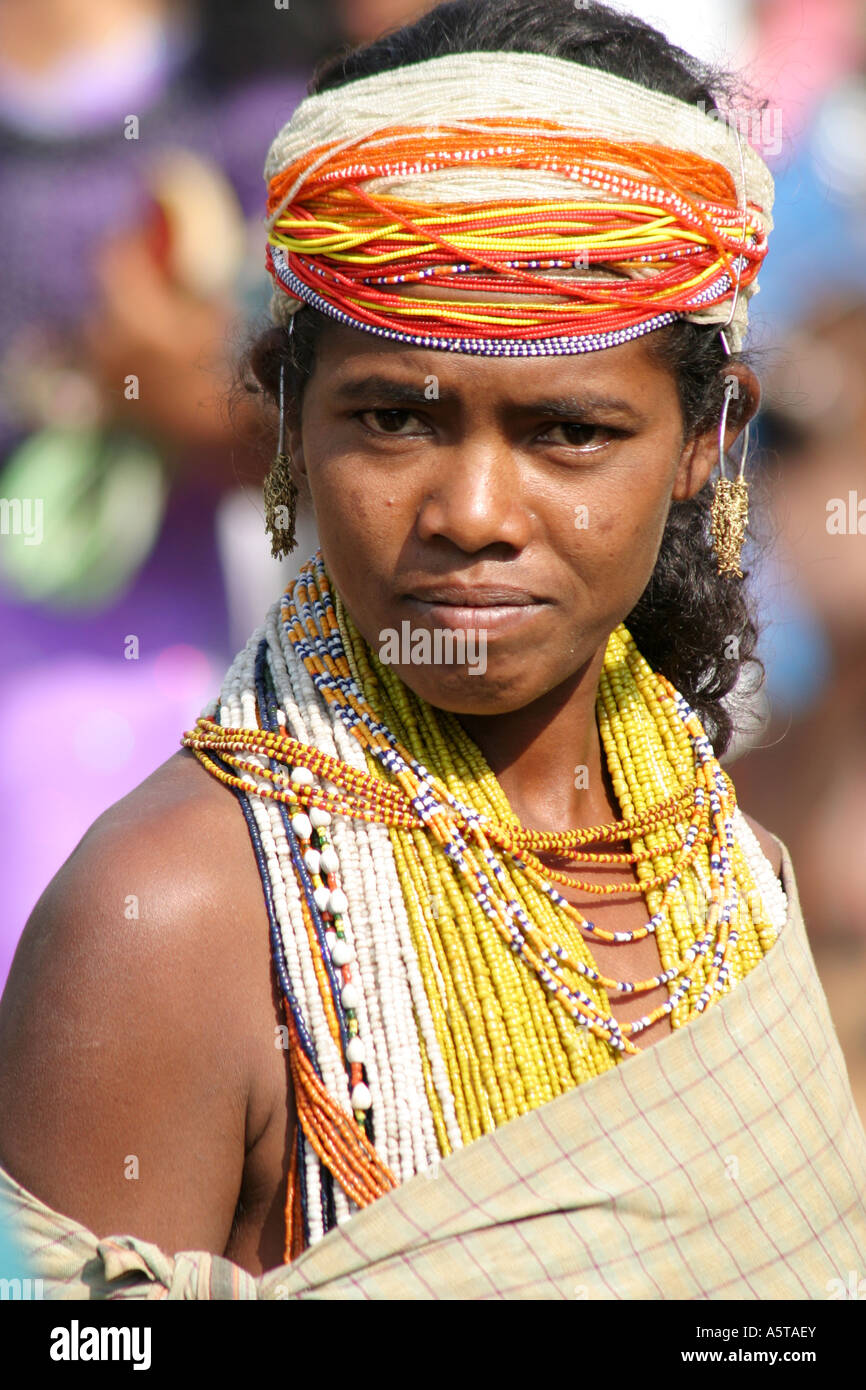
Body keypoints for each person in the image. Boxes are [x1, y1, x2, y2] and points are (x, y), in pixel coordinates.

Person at [1, 0, 865, 1301]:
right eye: (393, 418)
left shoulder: (724, 873)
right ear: (288, 426)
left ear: (704, 439)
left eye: (567, 430)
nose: (471, 513)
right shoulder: (178, 923)